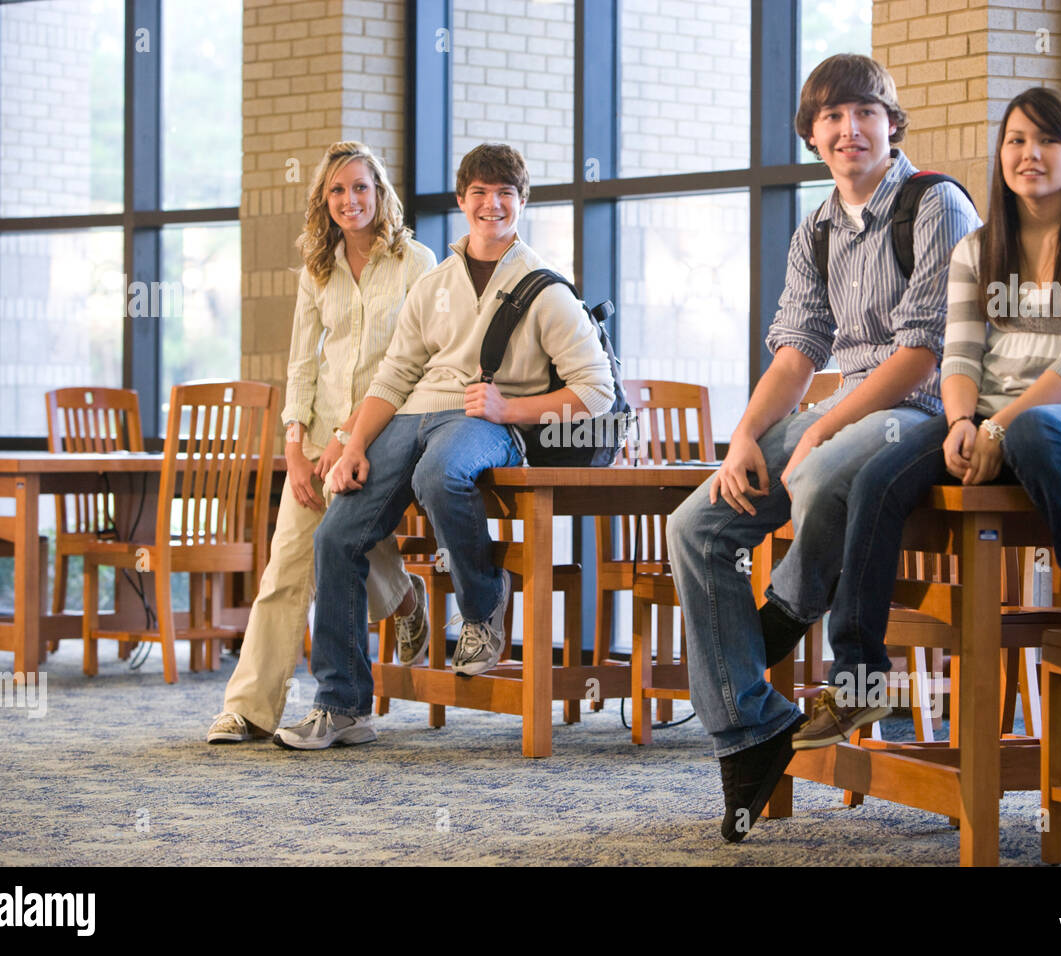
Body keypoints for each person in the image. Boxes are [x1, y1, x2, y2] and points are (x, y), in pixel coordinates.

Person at [664, 53, 980, 842]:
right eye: (832, 117)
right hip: (846, 403)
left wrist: (826, 427)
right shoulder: (817, 227)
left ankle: (784, 616)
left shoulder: (936, 203)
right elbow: (798, 349)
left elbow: (924, 354)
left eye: (864, 112)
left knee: (825, 466)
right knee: (694, 524)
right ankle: (751, 725)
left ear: (891, 122)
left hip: (925, 412)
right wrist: (741, 438)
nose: (849, 129)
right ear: (812, 133)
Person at [797, 87, 1061, 752]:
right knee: (877, 476)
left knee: (1039, 431)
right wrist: (960, 423)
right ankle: (859, 675)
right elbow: (958, 354)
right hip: (978, 422)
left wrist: (999, 426)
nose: (1028, 154)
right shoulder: (978, 250)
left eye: (1045, 140)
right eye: (1015, 140)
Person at [272, 142, 615, 750]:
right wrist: (352, 443)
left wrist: (512, 408)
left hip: (487, 424)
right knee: (335, 534)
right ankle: (343, 705)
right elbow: (393, 377)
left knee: (439, 477)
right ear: (462, 202)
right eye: (479, 193)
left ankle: (483, 607)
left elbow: (597, 392)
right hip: (412, 414)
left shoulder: (548, 292)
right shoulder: (434, 285)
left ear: (522, 202)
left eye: (504, 193)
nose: (492, 205)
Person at [207, 142, 436, 744]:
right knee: (286, 564)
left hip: (385, 433)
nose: (349, 200)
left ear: (379, 193)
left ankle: (393, 622)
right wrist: (293, 442)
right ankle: (250, 708)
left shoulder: (418, 262)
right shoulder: (318, 267)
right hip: (316, 437)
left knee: (344, 541)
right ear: (324, 200)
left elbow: (415, 363)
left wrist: (346, 438)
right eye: (337, 190)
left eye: (360, 187)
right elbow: (301, 361)